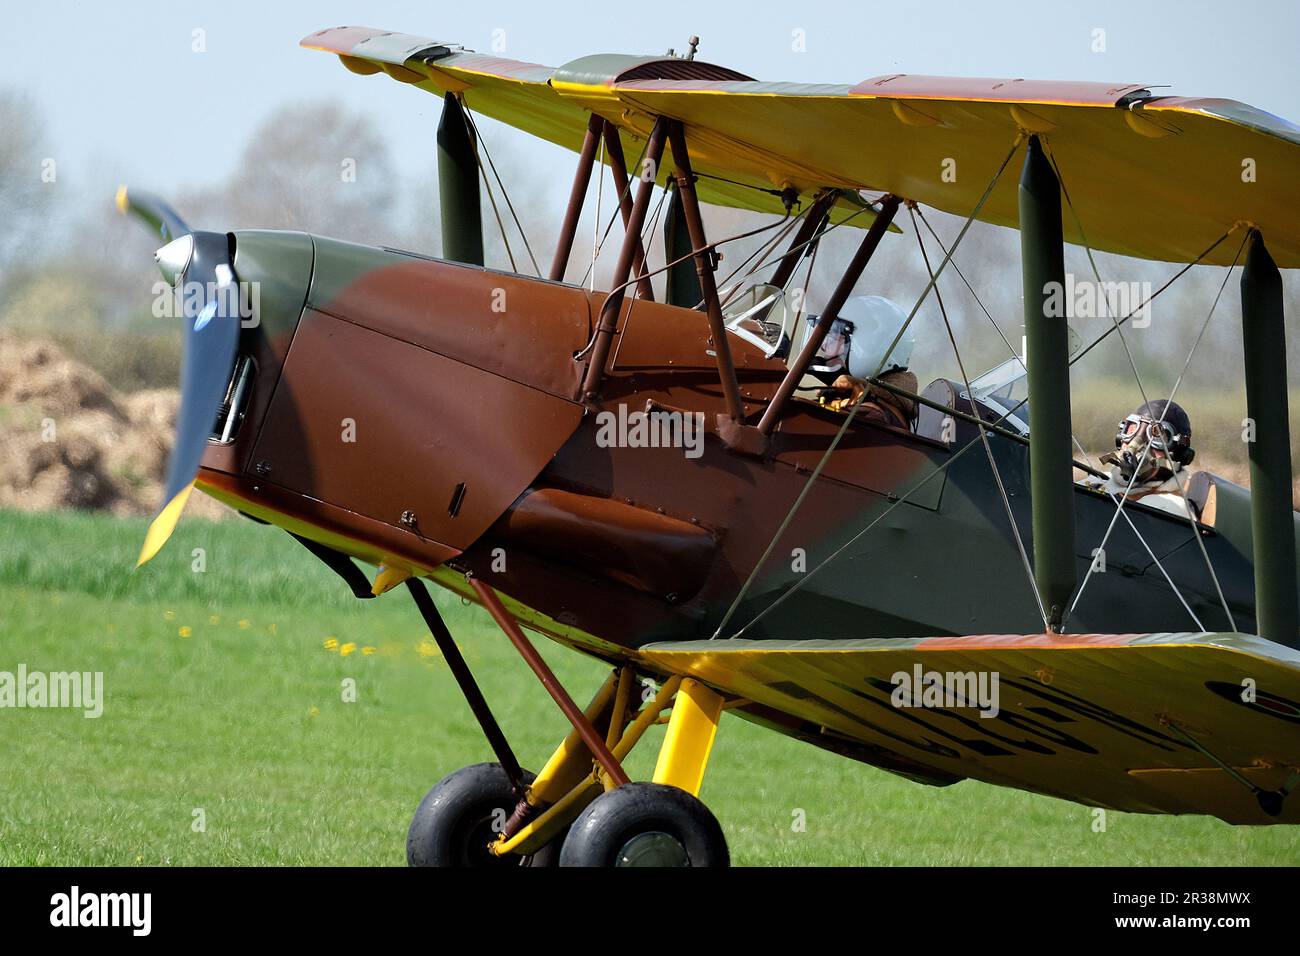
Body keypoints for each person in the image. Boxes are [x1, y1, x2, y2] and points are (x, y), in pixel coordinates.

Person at [1087, 398, 1198, 518]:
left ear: (1179, 455)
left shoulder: (1172, 508)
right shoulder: (1095, 484)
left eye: (1157, 437)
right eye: (1132, 429)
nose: (1134, 444)